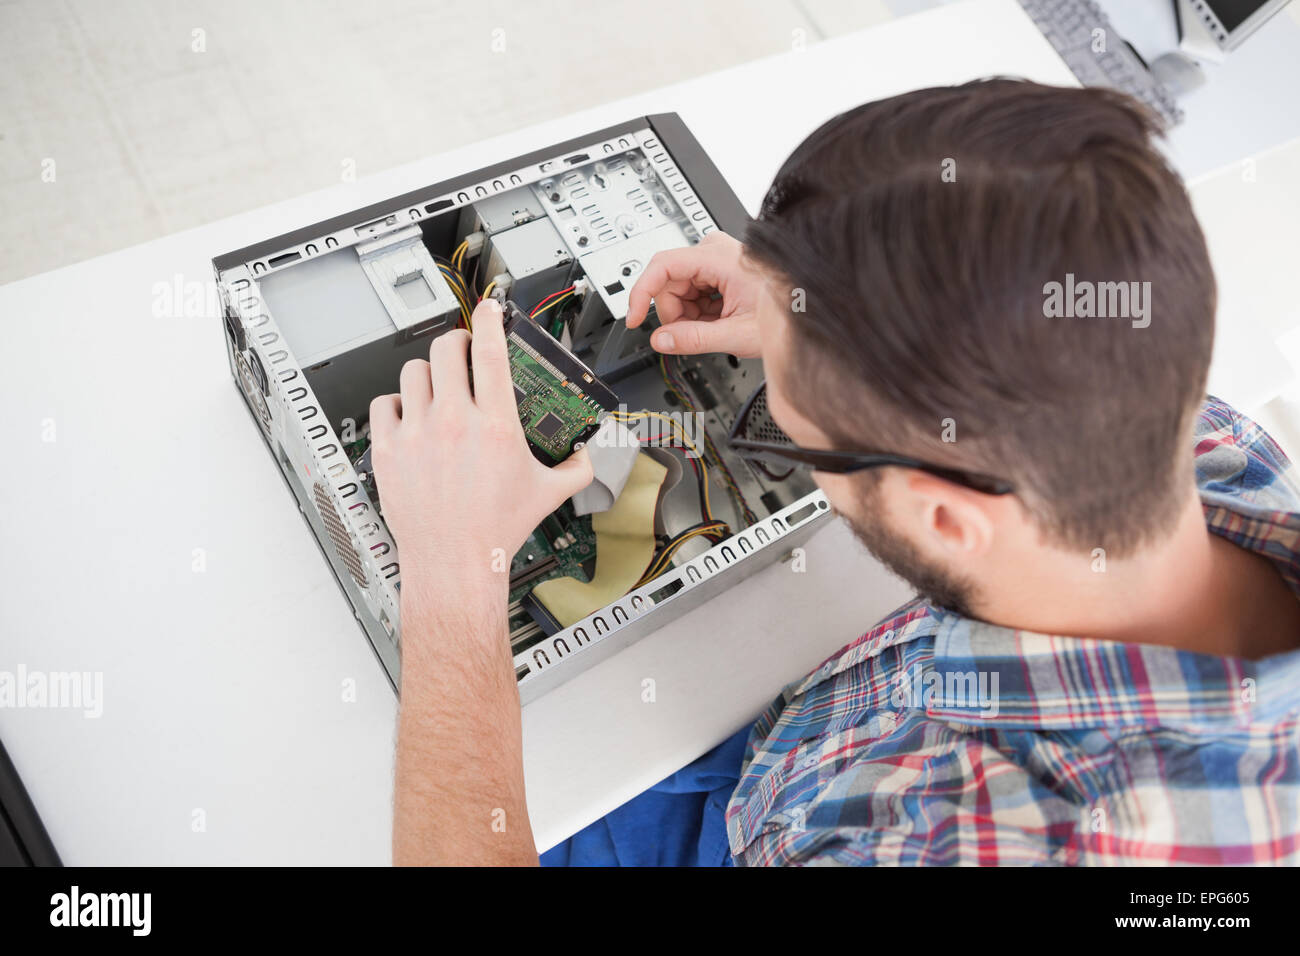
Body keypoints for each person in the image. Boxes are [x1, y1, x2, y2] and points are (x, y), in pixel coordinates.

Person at [374, 79, 1300, 866]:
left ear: (943, 519)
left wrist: (456, 581)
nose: (762, 404)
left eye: (786, 417)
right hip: (807, 742)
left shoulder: (970, 837)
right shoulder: (1206, 443)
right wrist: (808, 303)